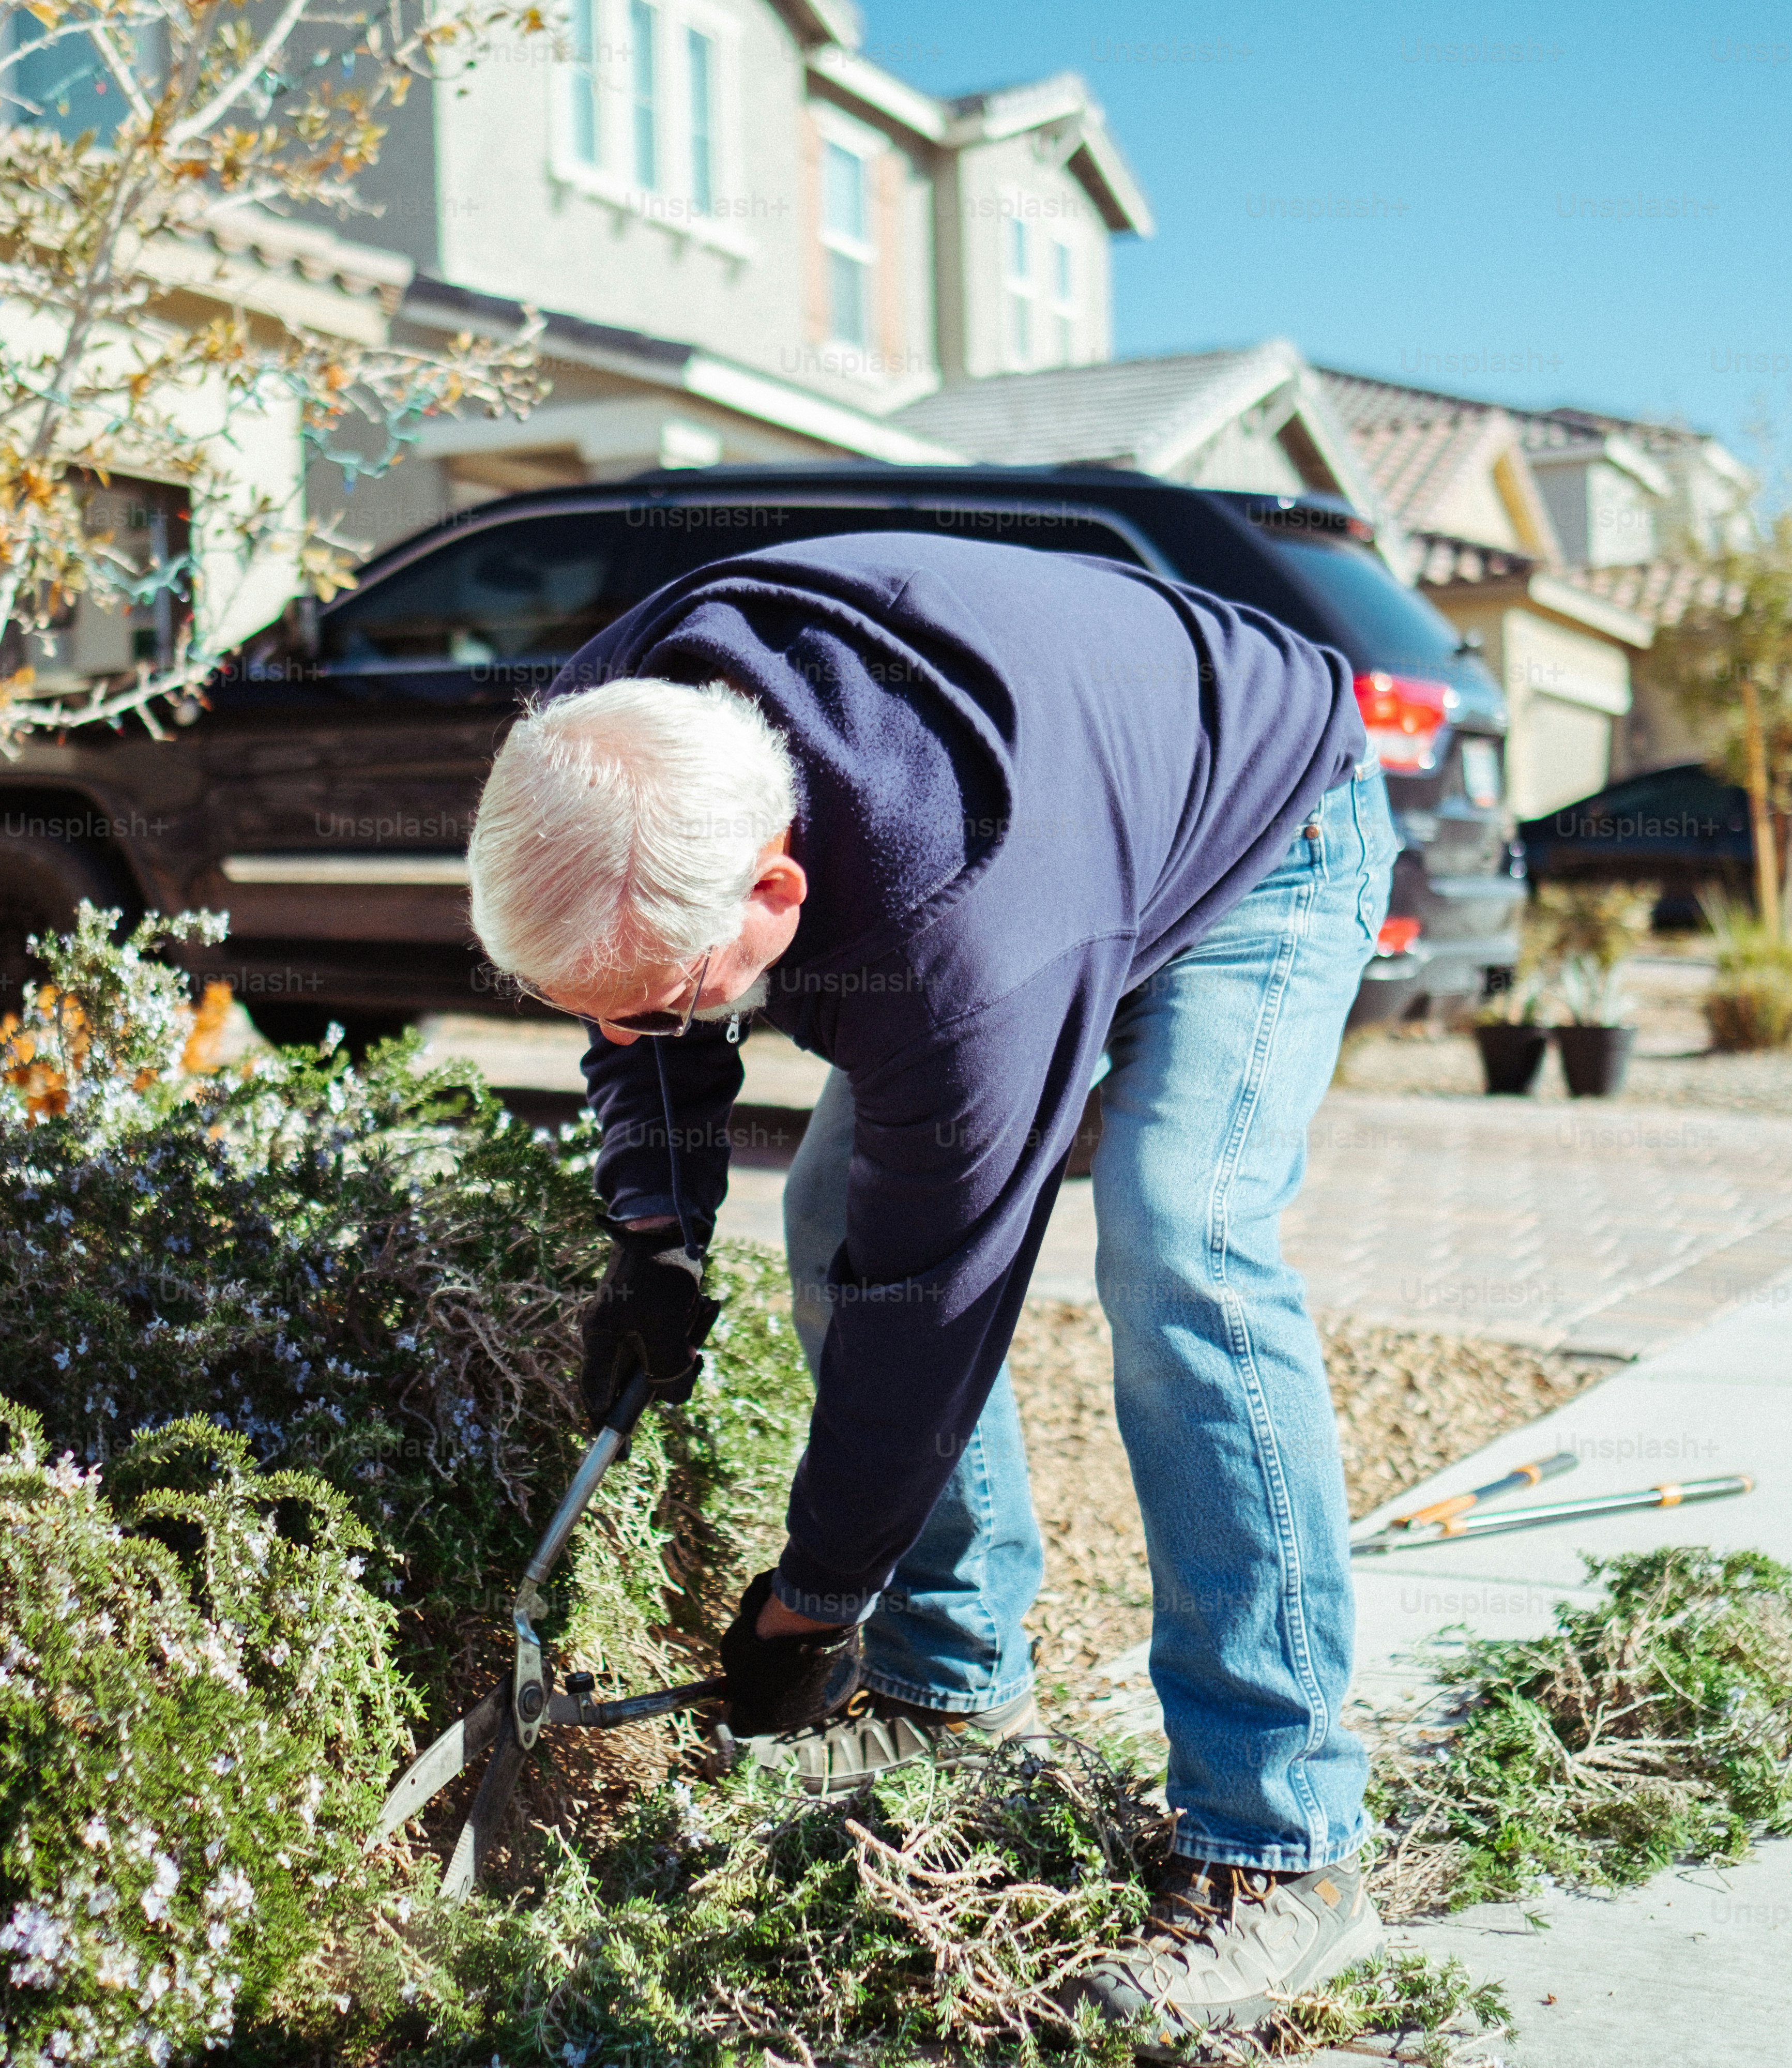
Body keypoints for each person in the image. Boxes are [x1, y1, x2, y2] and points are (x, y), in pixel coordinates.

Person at [464, 531, 1394, 2053]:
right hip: (1084, 788)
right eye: (592, 1012)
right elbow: (648, 1033)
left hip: (1261, 825)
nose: (627, 1031)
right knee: (826, 1206)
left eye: (663, 994)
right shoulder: (609, 744)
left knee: (1183, 1242)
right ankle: (957, 1692)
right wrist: (656, 1229)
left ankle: (1279, 1844)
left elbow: (933, 1307)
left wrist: (810, 1599)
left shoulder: (959, 935)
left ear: (780, 886)